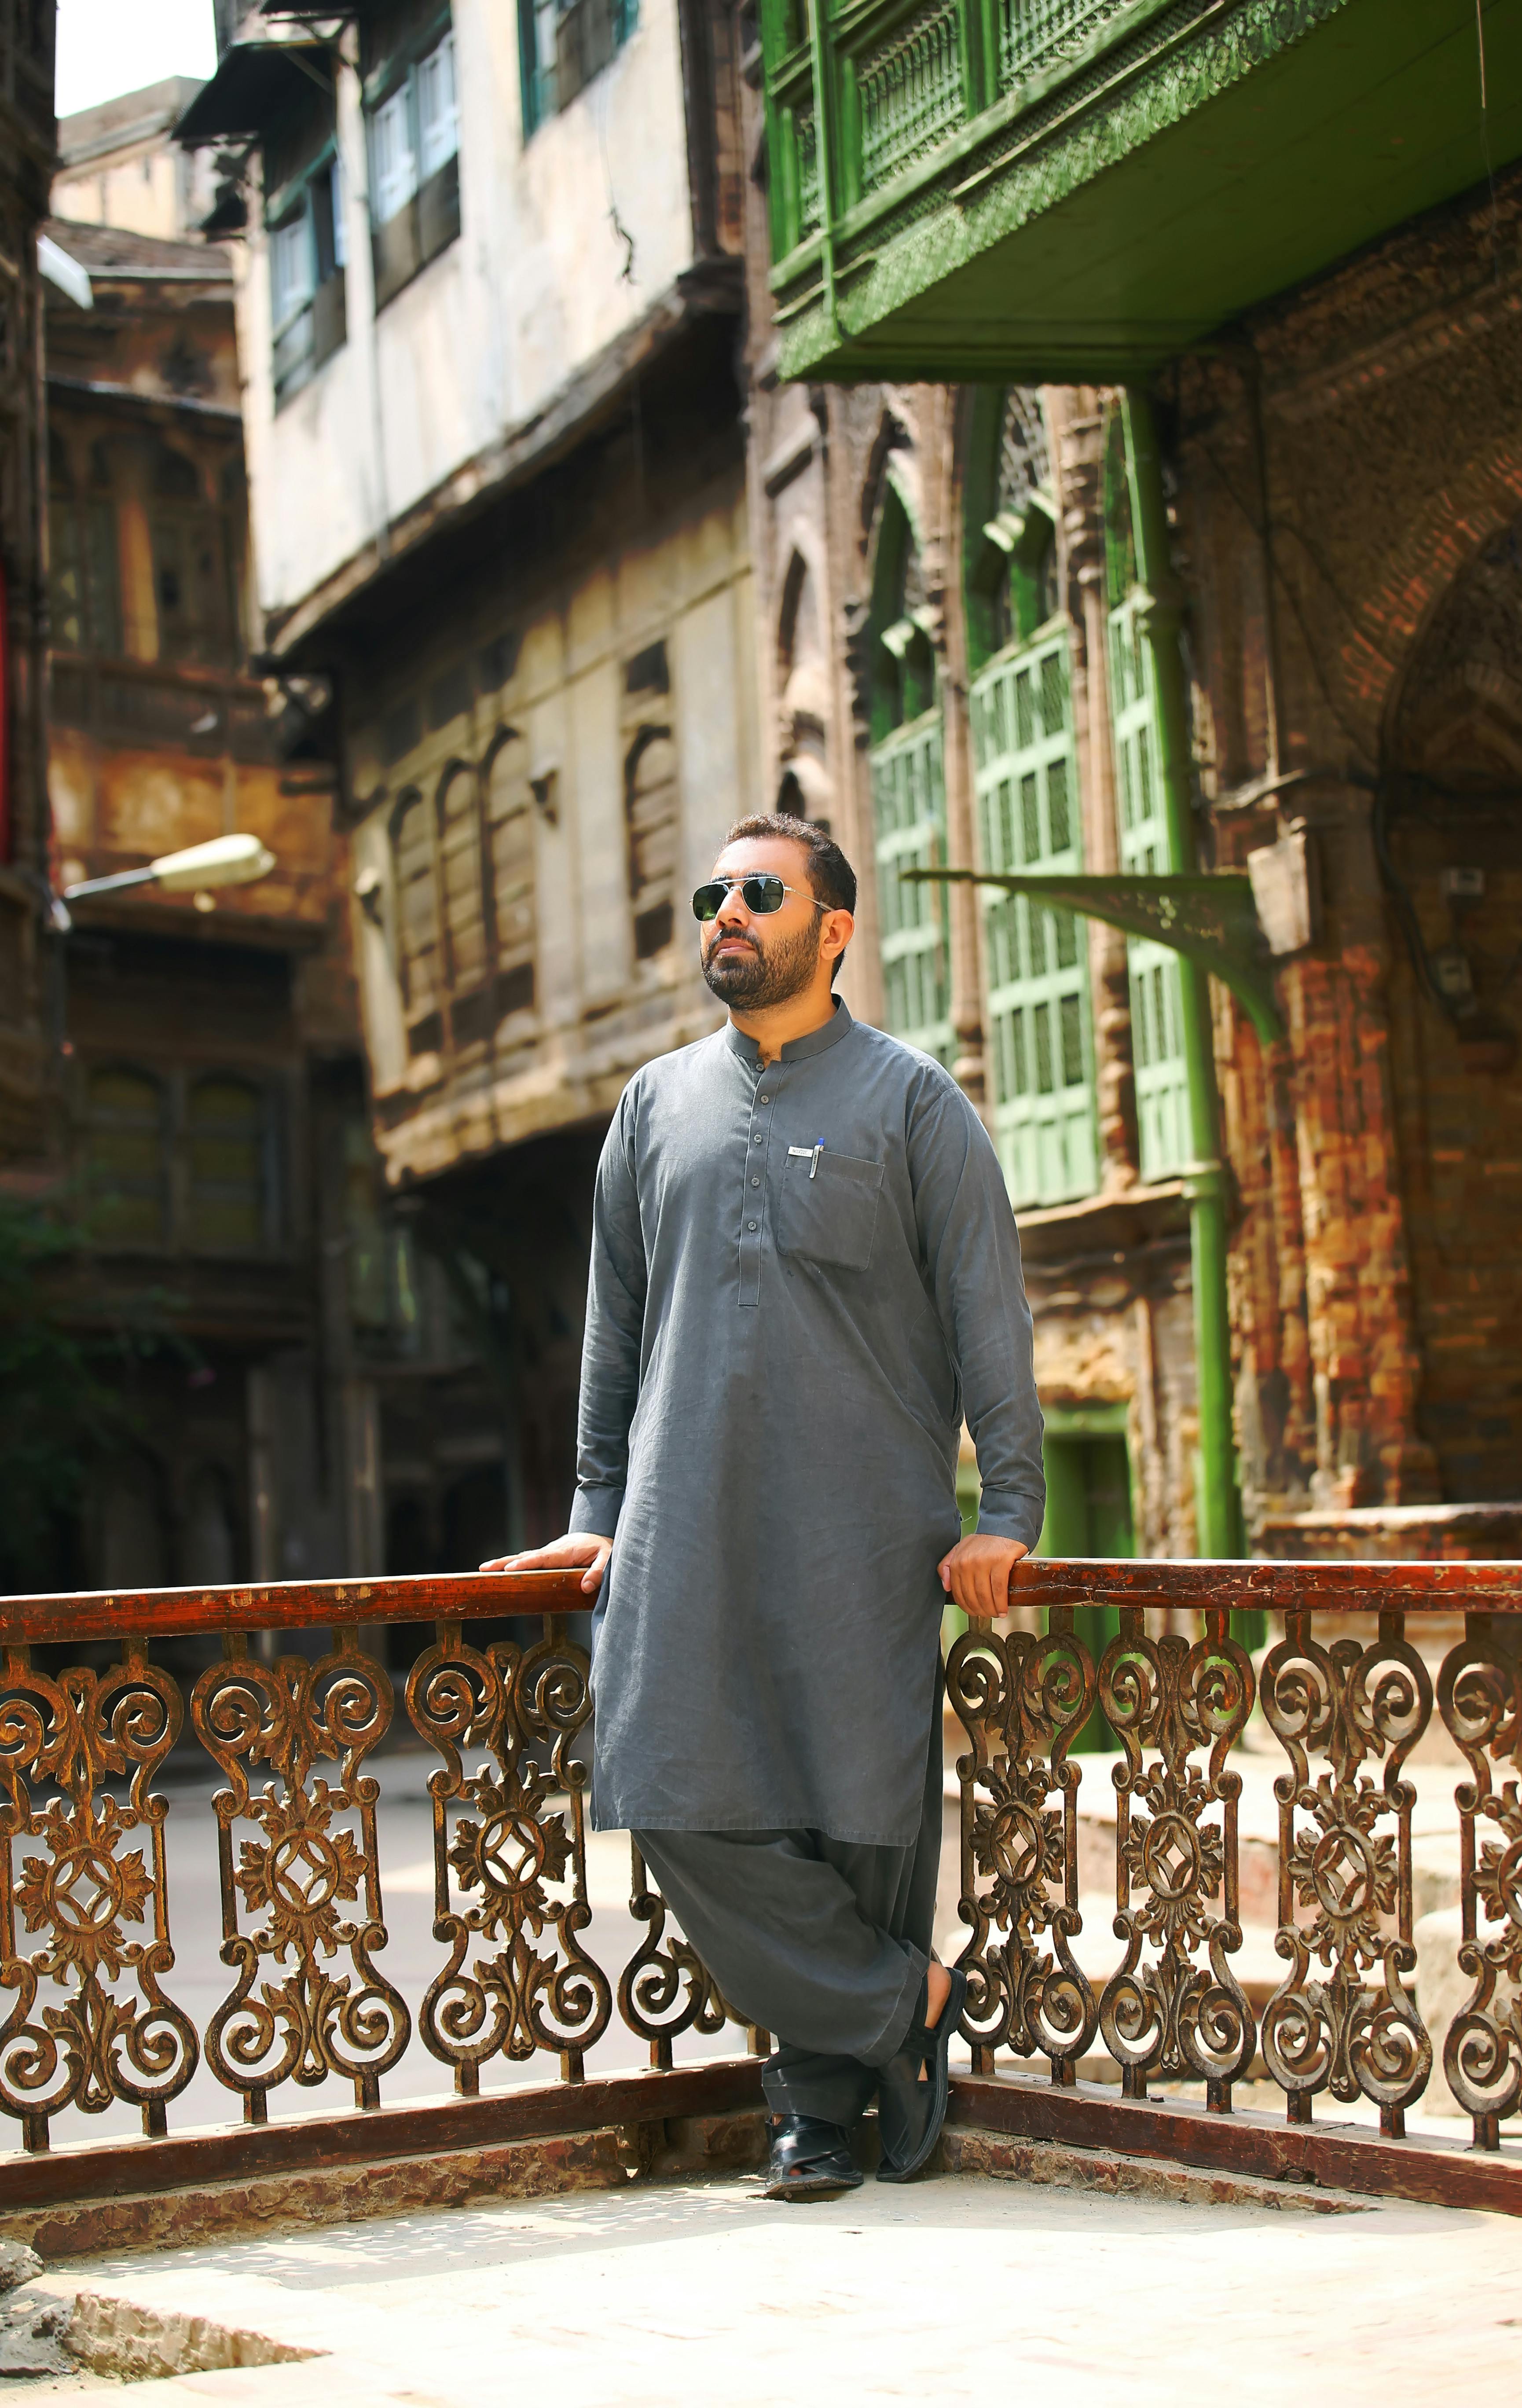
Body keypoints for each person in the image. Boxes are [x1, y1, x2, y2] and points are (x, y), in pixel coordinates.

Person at [485, 813, 1044, 2196]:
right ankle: (895, 2008)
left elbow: (989, 1315)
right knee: (669, 1784)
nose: (724, 915)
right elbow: (613, 1327)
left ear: (834, 928)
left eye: (758, 894)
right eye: (710, 897)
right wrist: (597, 1501)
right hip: (683, 1518)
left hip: (866, 1522)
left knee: (858, 1809)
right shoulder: (652, 1104)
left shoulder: (915, 1103)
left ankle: (816, 2108)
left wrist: (1010, 1507)